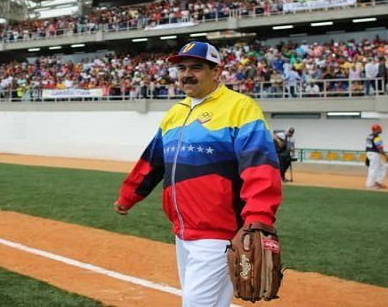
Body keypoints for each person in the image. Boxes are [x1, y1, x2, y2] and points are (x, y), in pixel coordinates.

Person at [113, 41, 282, 307]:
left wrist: (258, 219)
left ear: (216, 72)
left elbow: (260, 167)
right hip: (182, 231)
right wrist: (128, 196)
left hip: (219, 234)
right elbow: (153, 161)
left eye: (196, 67)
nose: (186, 74)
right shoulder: (175, 113)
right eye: (181, 68)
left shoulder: (240, 107)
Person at [365, 124, 388, 189]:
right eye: (380, 129)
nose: (381, 130)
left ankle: (378, 182)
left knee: (382, 167)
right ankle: (370, 184)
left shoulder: (369, 136)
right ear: (377, 130)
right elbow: (380, 149)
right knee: (373, 169)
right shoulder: (376, 138)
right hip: (374, 154)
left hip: (371, 153)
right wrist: (386, 156)